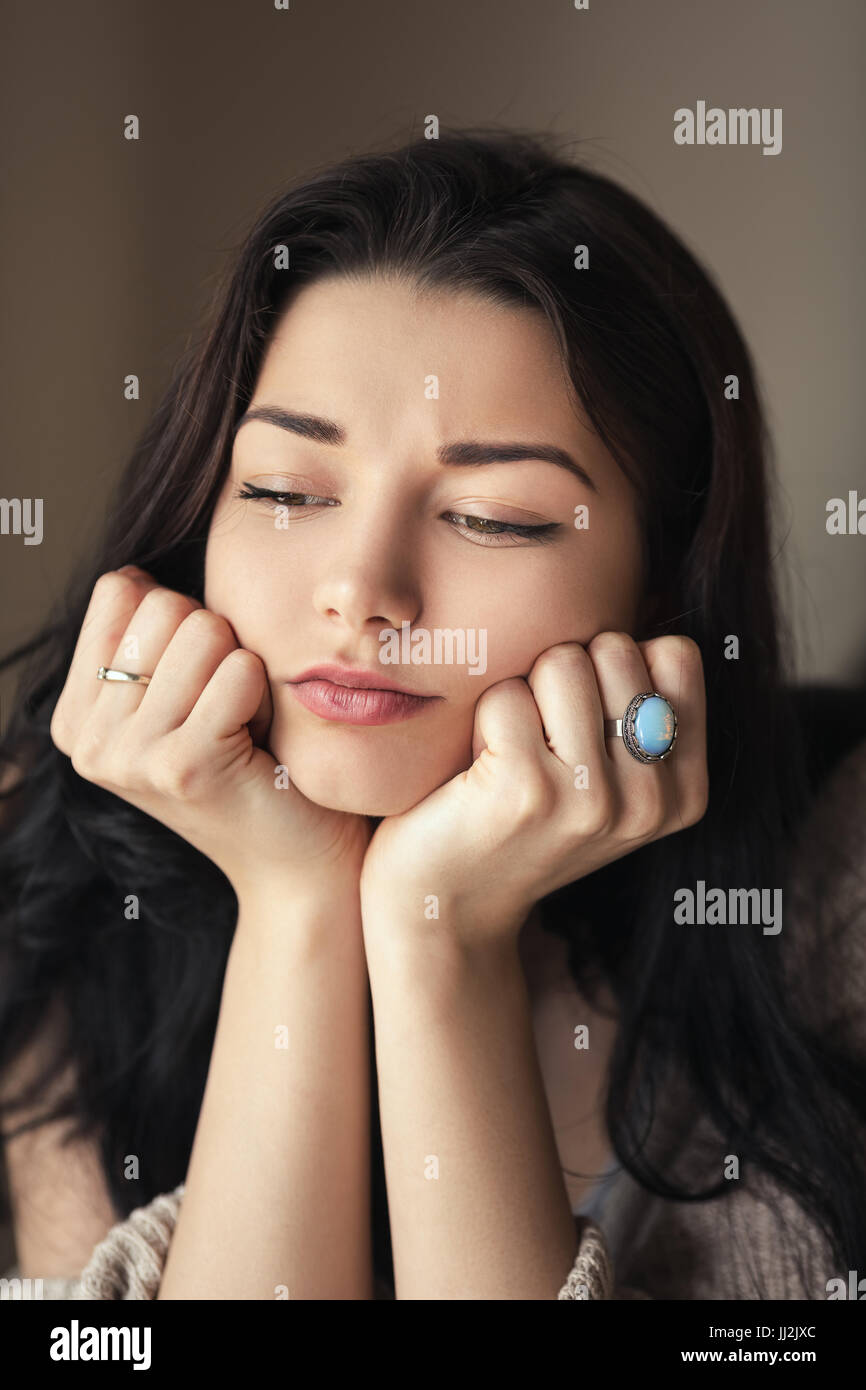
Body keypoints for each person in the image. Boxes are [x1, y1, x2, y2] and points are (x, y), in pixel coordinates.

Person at [1, 128, 864, 1301]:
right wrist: (297, 905)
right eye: (283, 490)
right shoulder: (55, 917)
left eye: (494, 517)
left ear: (661, 587)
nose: (359, 588)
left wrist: (437, 934)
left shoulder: (832, 892)